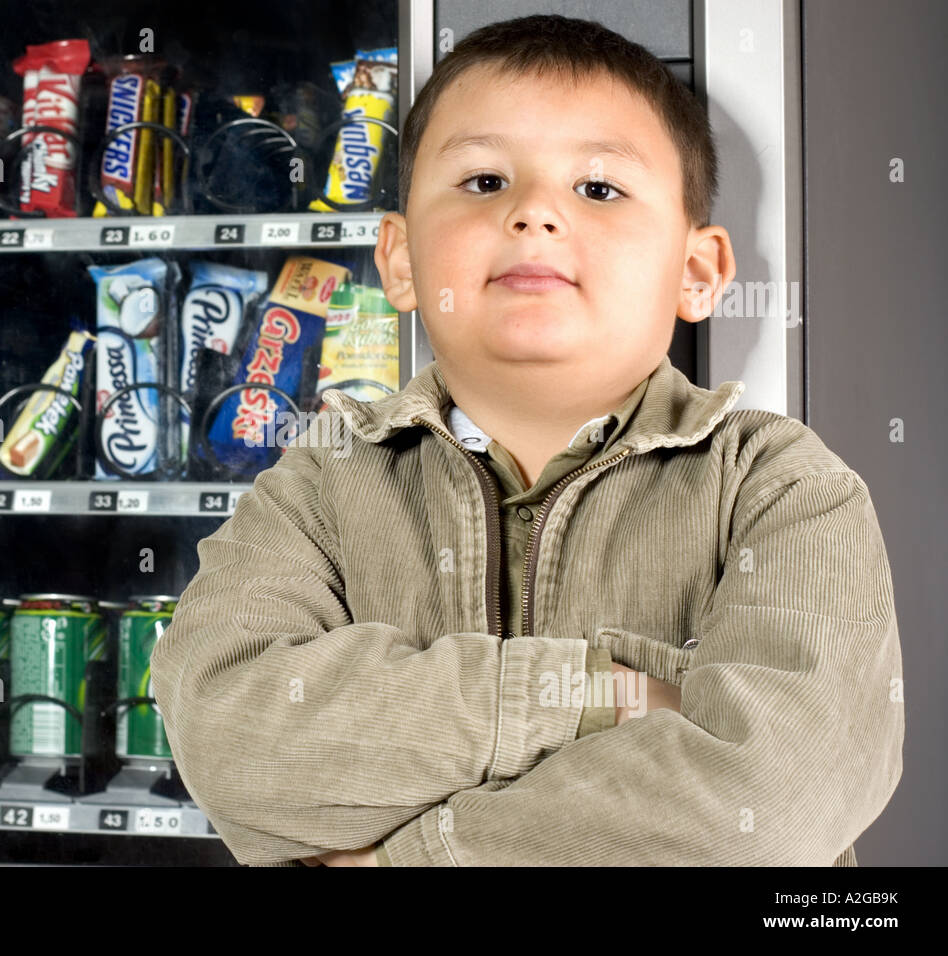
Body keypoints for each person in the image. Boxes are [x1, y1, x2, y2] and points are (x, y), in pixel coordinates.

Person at [150, 14, 904, 866]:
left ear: (697, 271)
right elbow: (227, 733)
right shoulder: (319, 486)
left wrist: (409, 855)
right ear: (398, 261)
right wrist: (606, 697)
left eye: (599, 189)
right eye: (482, 181)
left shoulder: (783, 487)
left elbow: (775, 803)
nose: (535, 212)